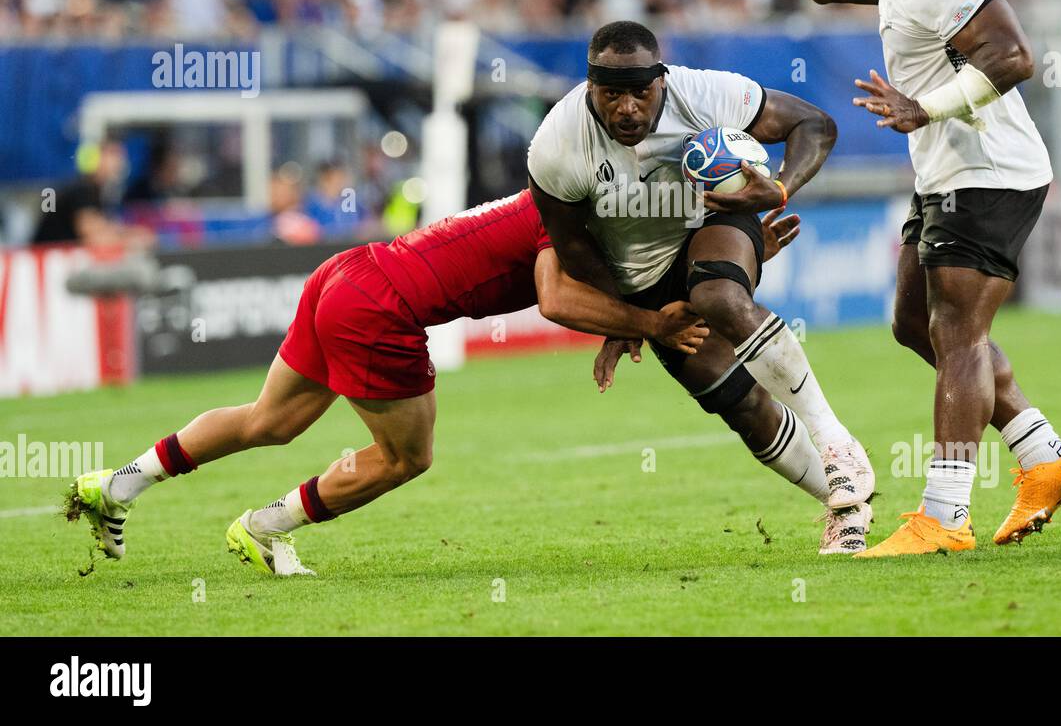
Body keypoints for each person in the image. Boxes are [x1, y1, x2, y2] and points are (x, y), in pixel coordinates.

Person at [66, 189, 713, 575]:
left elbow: (583, 285)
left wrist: (625, 324)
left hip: (350, 272)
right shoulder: (564, 210)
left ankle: (115, 485)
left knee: (272, 419)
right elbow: (555, 297)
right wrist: (650, 324)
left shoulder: (558, 195)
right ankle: (265, 528)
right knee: (408, 458)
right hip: (382, 311)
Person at [772, 0, 1061, 557]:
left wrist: (927, 108)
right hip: (948, 172)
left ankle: (945, 515)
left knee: (958, 334)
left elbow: (1013, 56)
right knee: (913, 320)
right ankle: (1045, 456)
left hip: (988, 171)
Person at [527, 20, 874, 555]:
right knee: (738, 405)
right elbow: (574, 249)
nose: (627, 108)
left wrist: (779, 187)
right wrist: (623, 321)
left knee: (719, 297)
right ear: (589, 86)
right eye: (611, 94)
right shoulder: (555, 145)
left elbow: (815, 123)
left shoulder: (706, 93)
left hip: (712, 227)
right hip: (642, 281)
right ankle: (847, 507)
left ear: (662, 82)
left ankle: (836, 443)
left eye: (640, 92)